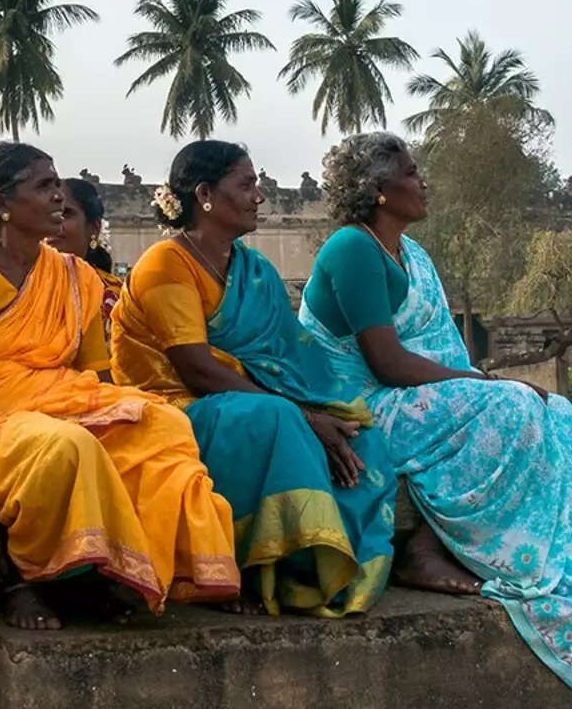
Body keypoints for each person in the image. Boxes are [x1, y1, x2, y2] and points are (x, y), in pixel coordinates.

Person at [299, 131, 572, 699]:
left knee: (560, 411)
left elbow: (437, 350)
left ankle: (448, 542)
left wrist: (477, 381)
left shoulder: (410, 254)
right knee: (515, 403)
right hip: (360, 403)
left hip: (403, 395)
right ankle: (423, 551)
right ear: (378, 189)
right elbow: (388, 362)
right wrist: (482, 382)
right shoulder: (352, 248)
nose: (424, 182)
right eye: (412, 172)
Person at [0, 141, 240, 632]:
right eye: (43, 186)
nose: (58, 196)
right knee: (69, 447)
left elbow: (97, 377)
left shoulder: (77, 278)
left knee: (162, 424)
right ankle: (27, 580)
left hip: (68, 400)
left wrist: (120, 414)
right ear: (2, 205)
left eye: (58, 184)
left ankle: (142, 570)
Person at [109, 140, 396, 617]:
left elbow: (288, 354)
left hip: (254, 397)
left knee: (360, 437)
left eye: (257, 184)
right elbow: (196, 368)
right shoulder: (166, 264)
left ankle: (312, 571)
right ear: (204, 194)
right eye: (246, 184)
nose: (258, 196)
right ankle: (245, 566)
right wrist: (305, 417)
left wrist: (322, 411)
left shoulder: (255, 269)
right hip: (174, 408)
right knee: (276, 418)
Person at [48, 177, 123, 340]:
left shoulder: (115, 296)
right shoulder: (14, 285)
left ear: (94, 227)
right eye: (42, 213)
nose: (51, 222)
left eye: (64, 214)